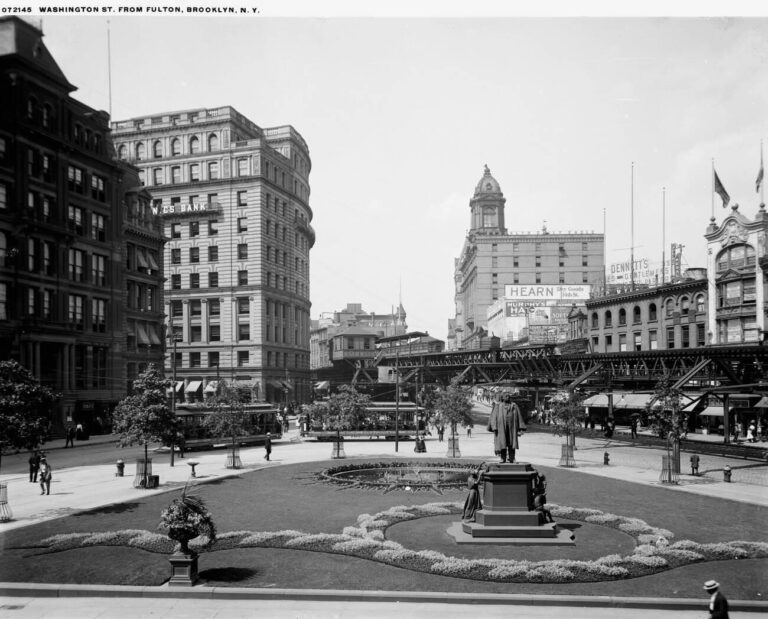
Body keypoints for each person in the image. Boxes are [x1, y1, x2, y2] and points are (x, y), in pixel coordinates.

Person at [487, 394, 526, 463]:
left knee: (511, 443)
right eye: (506, 396)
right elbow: (493, 417)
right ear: (503, 397)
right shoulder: (498, 406)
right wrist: (494, 426)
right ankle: (503, 458)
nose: (507, 397)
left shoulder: (514, 405)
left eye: (508, 396)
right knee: (502, 443)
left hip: (512, 428)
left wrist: (521, 428)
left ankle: (512, 458)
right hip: (501, 427)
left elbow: (519, 416)